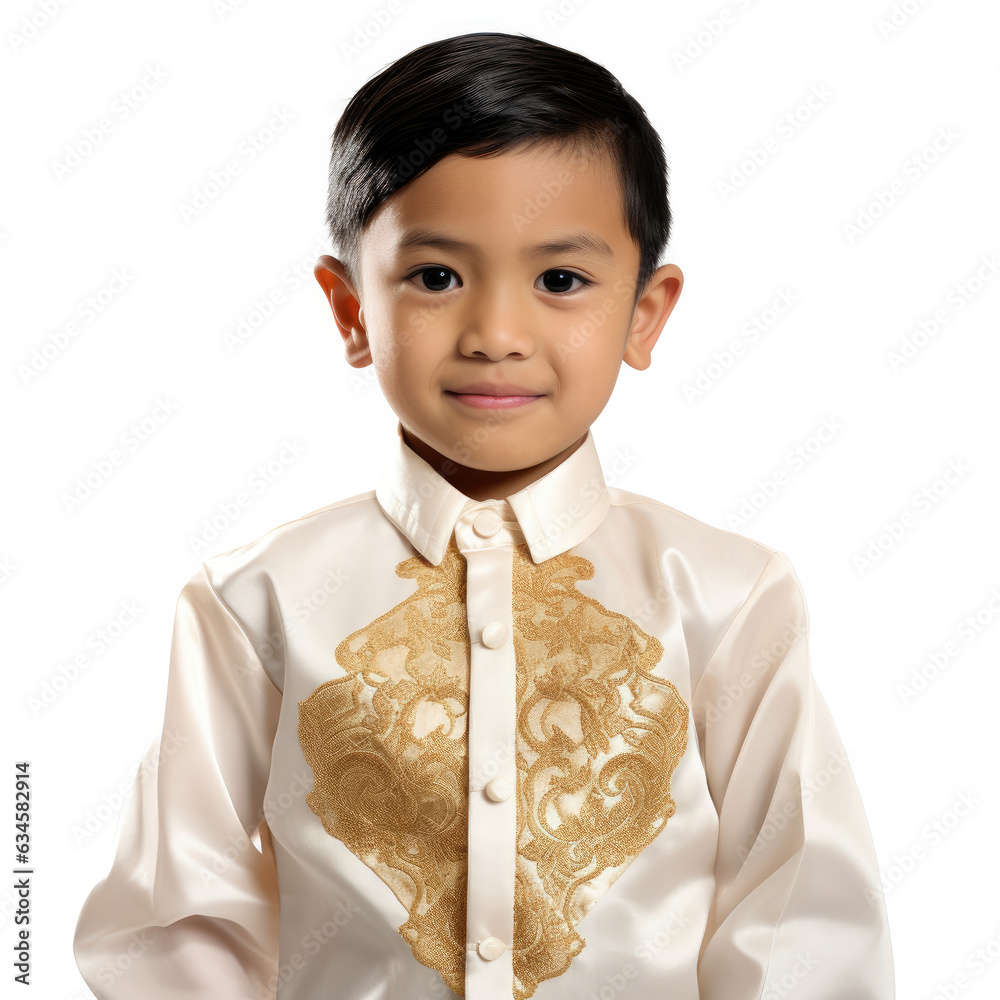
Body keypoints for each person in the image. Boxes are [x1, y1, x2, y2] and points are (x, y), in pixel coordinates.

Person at [72, 30, 895, 1000]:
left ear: (644, 311)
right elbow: (173, 912)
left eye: (559, 280)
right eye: (435, 277)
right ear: (348, 310)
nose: (497, 335)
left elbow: (799, 913)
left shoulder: (729, 594)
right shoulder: (253, 600)